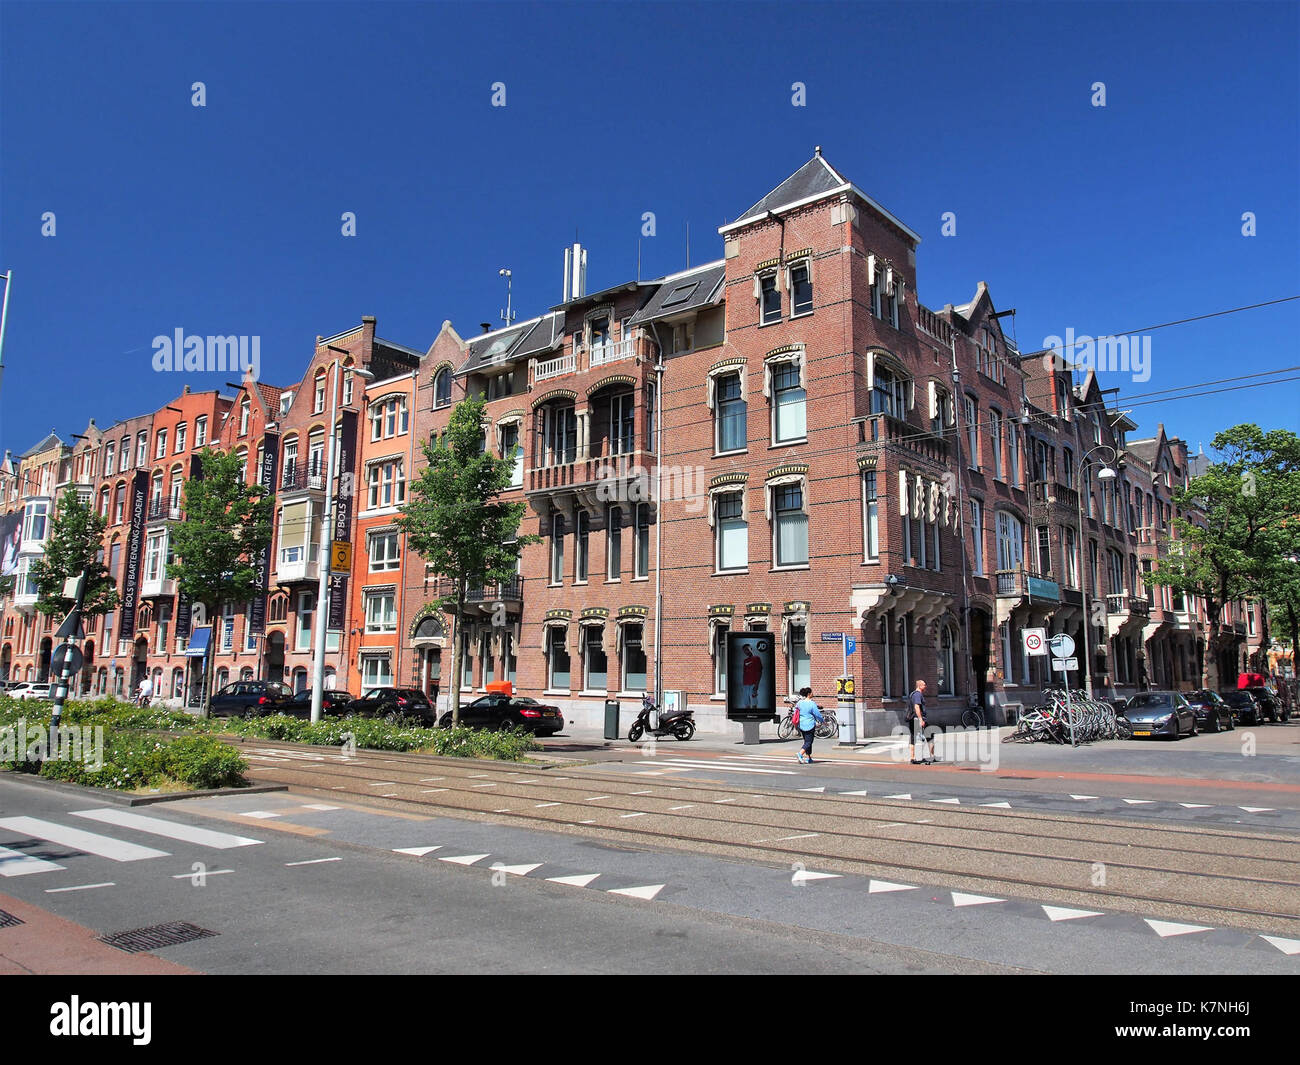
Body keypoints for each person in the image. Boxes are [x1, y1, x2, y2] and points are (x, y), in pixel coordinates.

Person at [907, 678, 936, 764]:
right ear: (919, 686)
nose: (925, 686)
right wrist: (921, 719)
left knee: (913, 738)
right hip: (918, 719)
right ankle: (932, 756)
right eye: (924, 685)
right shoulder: (918, 695)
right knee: (930, 736)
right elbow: (916, 707)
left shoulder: (912, 694)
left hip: (912, 718)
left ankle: (912, 758)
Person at [794, 686, 823, 764]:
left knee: (806, 741)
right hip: (809, 724)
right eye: (812, 692)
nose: (813, 694)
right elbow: (817, 714)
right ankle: (800, 754)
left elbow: (795, 711)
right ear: (809, 694)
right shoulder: (812, 703)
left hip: (801, 724)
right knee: (809, 742)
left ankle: (809, 757)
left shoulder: (800, 703)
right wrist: (822, 721)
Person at [741, 645, 763, 709]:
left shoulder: (757, 658)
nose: (746, 651)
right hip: (745, 685)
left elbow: (760, 671)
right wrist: (743, 685)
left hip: (753, 684)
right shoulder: (745, 660)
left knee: (754, 702)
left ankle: (754, 716)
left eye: (747, 649)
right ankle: (747, 717)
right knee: (746, 703)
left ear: (751, 648)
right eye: (744, 650)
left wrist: (757, 684)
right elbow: (744, 673)